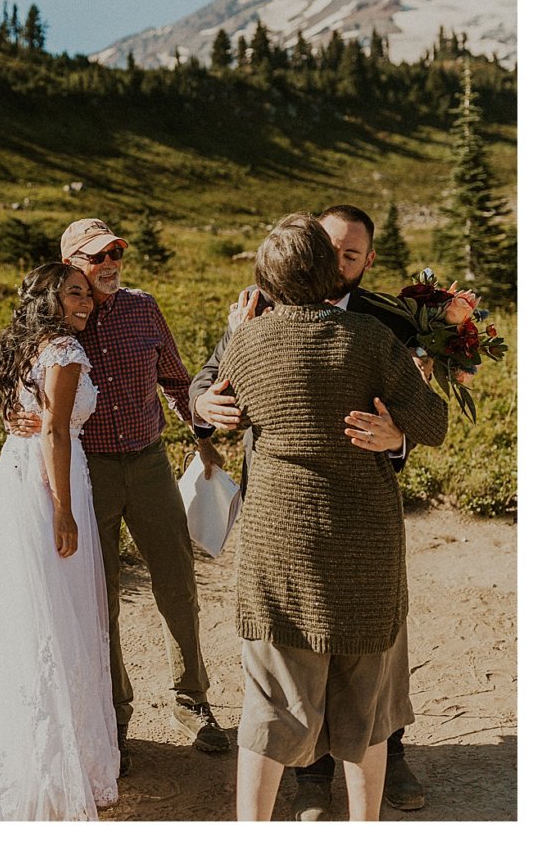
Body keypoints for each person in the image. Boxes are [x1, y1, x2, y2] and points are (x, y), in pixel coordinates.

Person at [190, 204, 429, 818]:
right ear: (325, 266)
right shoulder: (373, 339)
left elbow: (226, 380)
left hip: (278, 543)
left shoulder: (252, 334)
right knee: (362, 701)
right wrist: (204, 406)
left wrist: (393, 432)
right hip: (362, 541)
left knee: (274, 697)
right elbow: (204, 389)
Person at [0, 264, 120, 820]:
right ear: (49, 301)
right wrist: (63, 511)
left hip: (14, 480)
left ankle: (38, 749)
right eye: (74, 294)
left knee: (31, 616)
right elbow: (56, 430)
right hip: (48, 485)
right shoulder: (64, 352)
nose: (86, 302)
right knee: (58, 617)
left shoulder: (26, 346)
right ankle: (53, 762)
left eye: (88, 294)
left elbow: (25, 417)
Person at [59, 218, 231, 772]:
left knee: (177, 583)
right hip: (91, 471)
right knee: (101, 596)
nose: (109, 264)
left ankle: (192, 700)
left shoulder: (143, 307)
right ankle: (114, 717)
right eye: (96, 257)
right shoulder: (59, 319)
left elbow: (179, 382)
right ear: (71, 266)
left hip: (151, 462)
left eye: (116, 253)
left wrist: (203, 440)